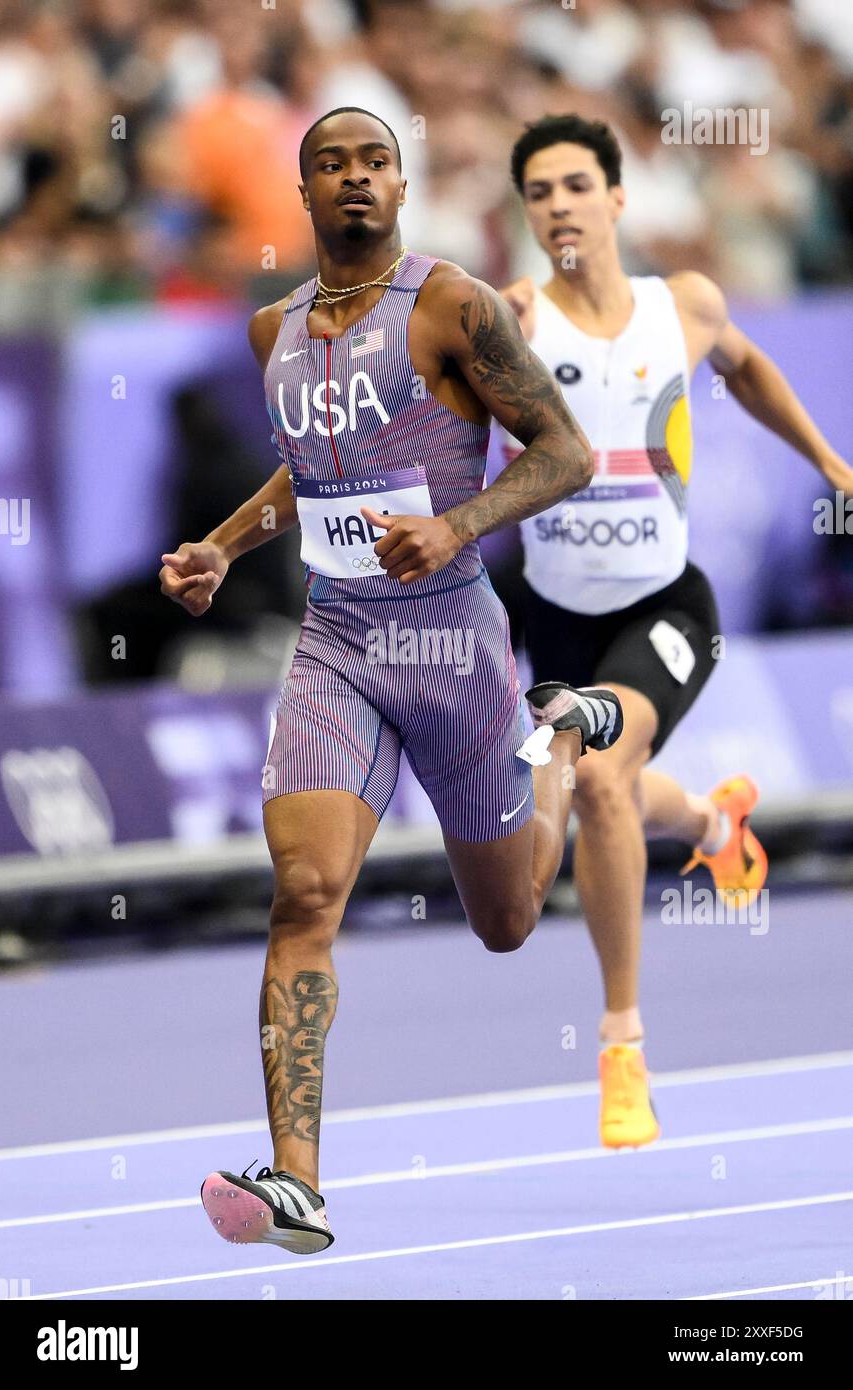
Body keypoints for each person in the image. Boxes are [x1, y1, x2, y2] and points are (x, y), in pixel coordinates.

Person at [159, 107, 624, 1253]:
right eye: (332, 164)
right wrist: (222, 545)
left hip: (455, 644)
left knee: (507, 922)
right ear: (304, 194)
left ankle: (559, 736)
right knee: (305, 895)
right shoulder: (274, 327)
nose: (355, 178)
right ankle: (297, 1182)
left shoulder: (453, 304)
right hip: (337, 647)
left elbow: (565, 451)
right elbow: (309, 473)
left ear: (401, 183)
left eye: (374, 161)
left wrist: (459, 520)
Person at [498, 113, 853, 1149]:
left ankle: (621, 1048)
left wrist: (829, 464)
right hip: (551, 618)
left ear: (616, 199)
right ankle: (708, 823)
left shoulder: (684, 305)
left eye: (574, 185)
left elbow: (743, 370)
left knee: (600, 777)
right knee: (579, 803)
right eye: (537, 192)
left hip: (666, 606)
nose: (557, 204)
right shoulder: (513, 318)